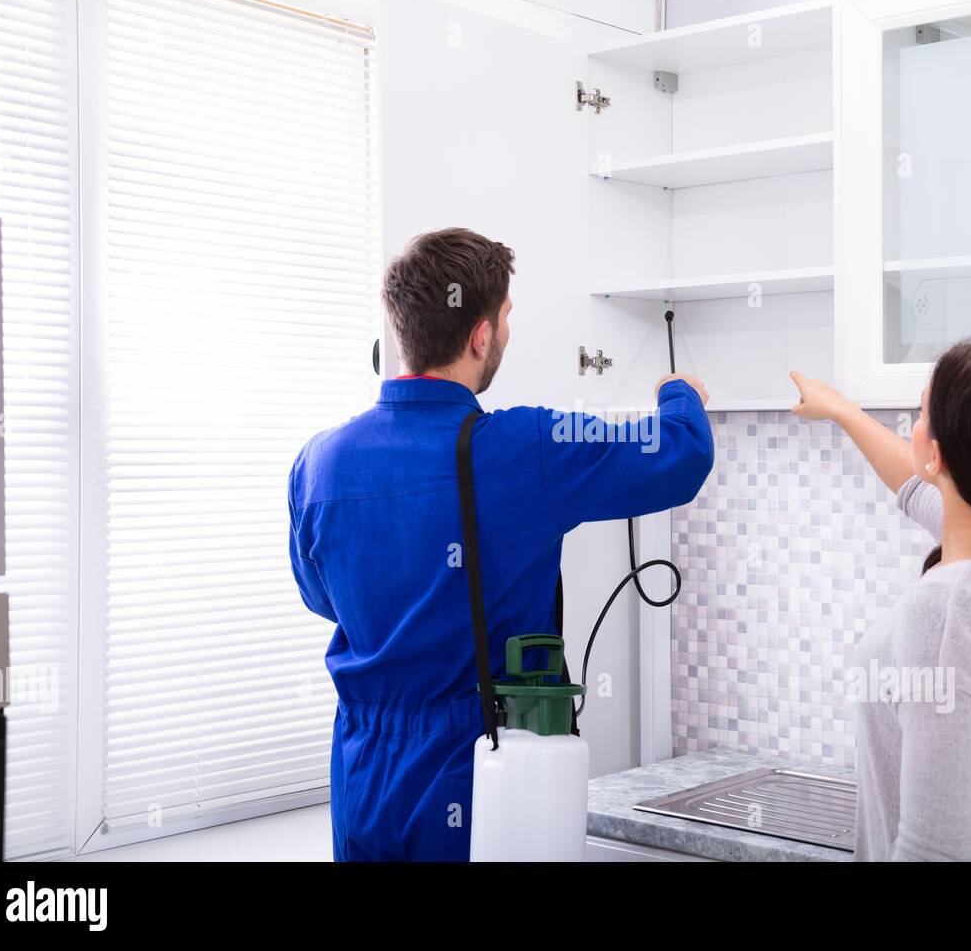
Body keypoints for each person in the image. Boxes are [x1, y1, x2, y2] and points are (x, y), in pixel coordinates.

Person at [288, 228, 714, 861]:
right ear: (480, 335)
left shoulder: (318, 462)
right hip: (475, 770)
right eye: (506, 318)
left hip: (362, 773)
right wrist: (678, 396)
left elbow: (326, 600)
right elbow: (680, 454)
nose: (506, 334)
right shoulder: (526, 448)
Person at [790, 339, 971, 861]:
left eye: (921, 414)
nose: (913, 426)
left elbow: (933, 852)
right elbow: (922, 488)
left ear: (938, 454)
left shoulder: (948, 611)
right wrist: (839, 409)